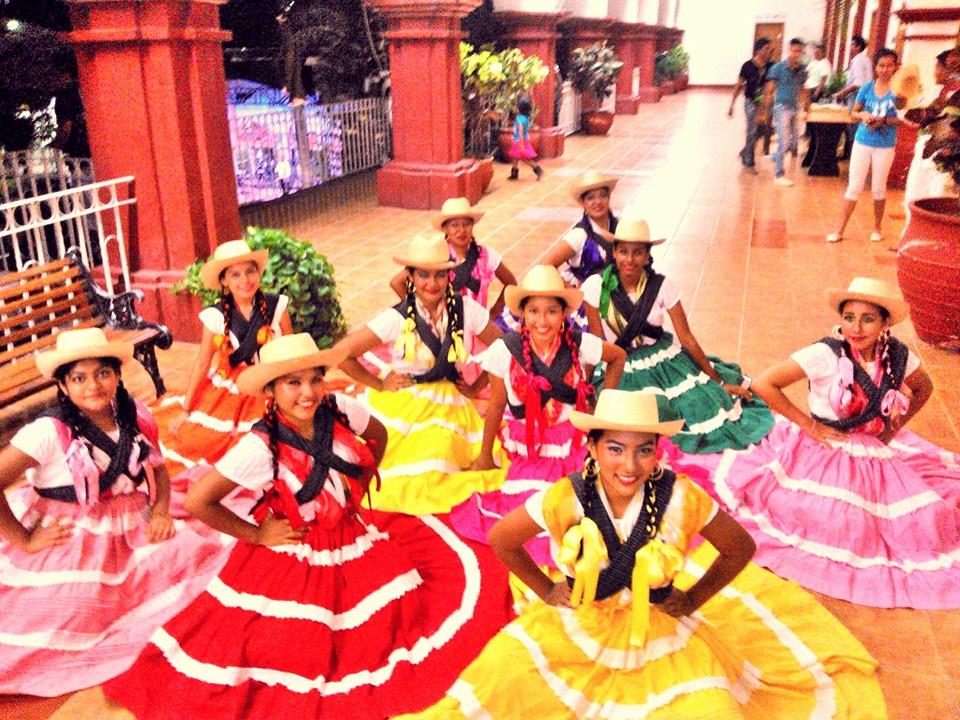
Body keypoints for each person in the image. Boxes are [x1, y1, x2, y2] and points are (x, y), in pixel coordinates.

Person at [104, 334, 514, 719]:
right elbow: (199, 501)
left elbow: (379, 435)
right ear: (271, 393)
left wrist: (364, 481)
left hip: (351, 536)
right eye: (292, 383)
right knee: (290, 647)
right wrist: (258, 534)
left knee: (396, 616)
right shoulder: (259, 446)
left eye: (315, 379)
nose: (308, 392)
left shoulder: (340, 409)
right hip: (296, 546)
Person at [409, 390, 887, 719]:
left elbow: (740, 547)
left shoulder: (680, 494)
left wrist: (692, 599)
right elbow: (503, 539)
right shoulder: (566, 495)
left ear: (659, 450)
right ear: (591, 447)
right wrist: (547, 588)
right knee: (496, 690)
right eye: (615, 448)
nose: (630, 464)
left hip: (659, 632)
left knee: (711, 711)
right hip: (579, 624)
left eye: (644, 450)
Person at [706, 278, 960, 609]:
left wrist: (891, 432)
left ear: (884, 323)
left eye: (868, 318)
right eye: (849, 317)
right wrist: (809, 425)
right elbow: (767, 383)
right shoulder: (825, 353)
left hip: (871, 450)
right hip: (823, 448)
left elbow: (923, 388)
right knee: (841, 522)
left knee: (924, 522)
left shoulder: (897, 354)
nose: (856, 327)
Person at [0, 328, 226, 696]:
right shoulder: (47, 431)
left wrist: (161, 512)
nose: (93, 385)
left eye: (102, 373)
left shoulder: (134, 415)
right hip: (70, 526)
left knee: (187, 564)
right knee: (79, 611)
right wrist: (25, 540)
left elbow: (158, 469)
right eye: (79, 378)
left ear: (118, 375)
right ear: (63, 385)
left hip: (130, 516)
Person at [450, 265, 626, 566]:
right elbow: (495, 405)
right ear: (522, 314)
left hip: (572, 441)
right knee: (532, 510)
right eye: (533, 311)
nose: (542, 321)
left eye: (551, 312)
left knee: (587, 505)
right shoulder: (505, 350)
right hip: (528, 448)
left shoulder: (579, 343)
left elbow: (617, 357)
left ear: (564, 315)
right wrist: (484, 455)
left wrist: (602, 405)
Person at [335, 234, 503, 513]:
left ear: (450, 276)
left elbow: (505, 348)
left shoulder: (466, 309)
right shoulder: (396, 317)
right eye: (423, 274)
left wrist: (475, 387)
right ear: (410, 277)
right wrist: (378, 383)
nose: (432, 283)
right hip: (403, 397)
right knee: (371, 455)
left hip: (449, 402)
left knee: (438, 458)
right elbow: (342, 353)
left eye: (440, 275)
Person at [583, 214, 772, 454]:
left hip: (662, 361)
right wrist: (585, 383)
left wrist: (717, 380)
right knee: (627, 416)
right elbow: (597, 342)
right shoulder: (594, 286)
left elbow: (687, 337)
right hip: (617, 362)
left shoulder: (662, 286)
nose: (630, 259)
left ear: (647, 255)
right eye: (623, 251)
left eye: (638, 252)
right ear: (614, 253)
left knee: (693, 406)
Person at [156, 239, 293, 488]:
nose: (245, 281)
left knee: (278, 438)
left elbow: (292, 349)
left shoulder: (277, 306)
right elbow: (202, 363)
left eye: (250, 271)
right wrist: (187, 408)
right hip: (234, 387)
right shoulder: (216, 317)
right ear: (224, 282)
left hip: (274, 379)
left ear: (259, 273)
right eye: (235, 275)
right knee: (203, 440)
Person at [388, 197, 518, 320]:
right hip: (444, 326)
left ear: (472, 226)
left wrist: (494, 312)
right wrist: (419, 311)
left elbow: (511, 283)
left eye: (466, 224)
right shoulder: (436, 255)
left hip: (477, 327)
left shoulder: (486, 256)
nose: (461, 230)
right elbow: (396, 283)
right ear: (445, 228)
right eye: (454, 225)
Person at [827, 49, 908, 243]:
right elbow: (854, 112)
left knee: (879, 188)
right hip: (863, 141)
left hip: (885, 145)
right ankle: (839, 229)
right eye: (881, 65)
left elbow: (902, 120)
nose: (885, 69)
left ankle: (877, 227)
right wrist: (863, 115)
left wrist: (883, 120)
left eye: (889, 65)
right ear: (875, 67)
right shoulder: (866, 88)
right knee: (854, 186)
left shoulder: (899, 93)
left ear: (896, 67)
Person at [540, 170, 620, 287]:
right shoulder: (579, 235)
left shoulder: (619, 227)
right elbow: (545, 267)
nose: (597, 202)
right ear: (583, 203)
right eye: (590, 198)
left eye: (603, 195)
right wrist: (572, 293)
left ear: (609, 198)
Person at [904, 49, 960, 216]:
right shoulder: (938, 92)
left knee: (936, 196)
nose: (934, 72)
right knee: (914, 192)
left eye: (937, 68)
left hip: (945, 152)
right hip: (927, 145)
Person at [763, 37, 809, 186]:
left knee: (792, 142)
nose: (797, 54)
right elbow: (769, 91)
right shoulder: (778, 68)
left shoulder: (802, 70)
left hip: (795, 108)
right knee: (784, 142)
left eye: (800, 52)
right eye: (795, 51)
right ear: (790, 50)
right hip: (781, 108)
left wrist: (806, 107)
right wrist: (766, 112)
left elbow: (803, 89)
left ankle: (776, 157)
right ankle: (778, 175)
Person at [728, 37, 773, 172]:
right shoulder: (747, 66)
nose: (769, 52)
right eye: (766, 49)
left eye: (771, 50)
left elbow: (769, 88)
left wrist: (765, 107)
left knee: (766, 129)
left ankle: (745, 151)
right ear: (758, 50)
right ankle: (749, 163)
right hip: (750, 102)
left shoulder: (771, 66)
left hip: (765, 102)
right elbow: (739, 85)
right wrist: (732, 105)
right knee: (752, 130)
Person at [837, 35, 875, 158]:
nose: (850, 47)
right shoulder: (866, 59)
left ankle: (850, 153)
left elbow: (859, 82)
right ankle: (852, 153)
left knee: (852, 125)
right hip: (864, 96)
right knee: (856, 125)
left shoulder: (858, 60)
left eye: (853, 45)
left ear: (858, 47)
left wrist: (843, 92)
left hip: (856, 97)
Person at [507, 95, 543, 181]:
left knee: (524, 158)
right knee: (515, 156)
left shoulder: (519, 118)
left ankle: (537, 169)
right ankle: (514, 174)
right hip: (522, 140)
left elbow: (520, 131)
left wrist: (521, 144)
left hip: (519, 141)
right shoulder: (526, 118)